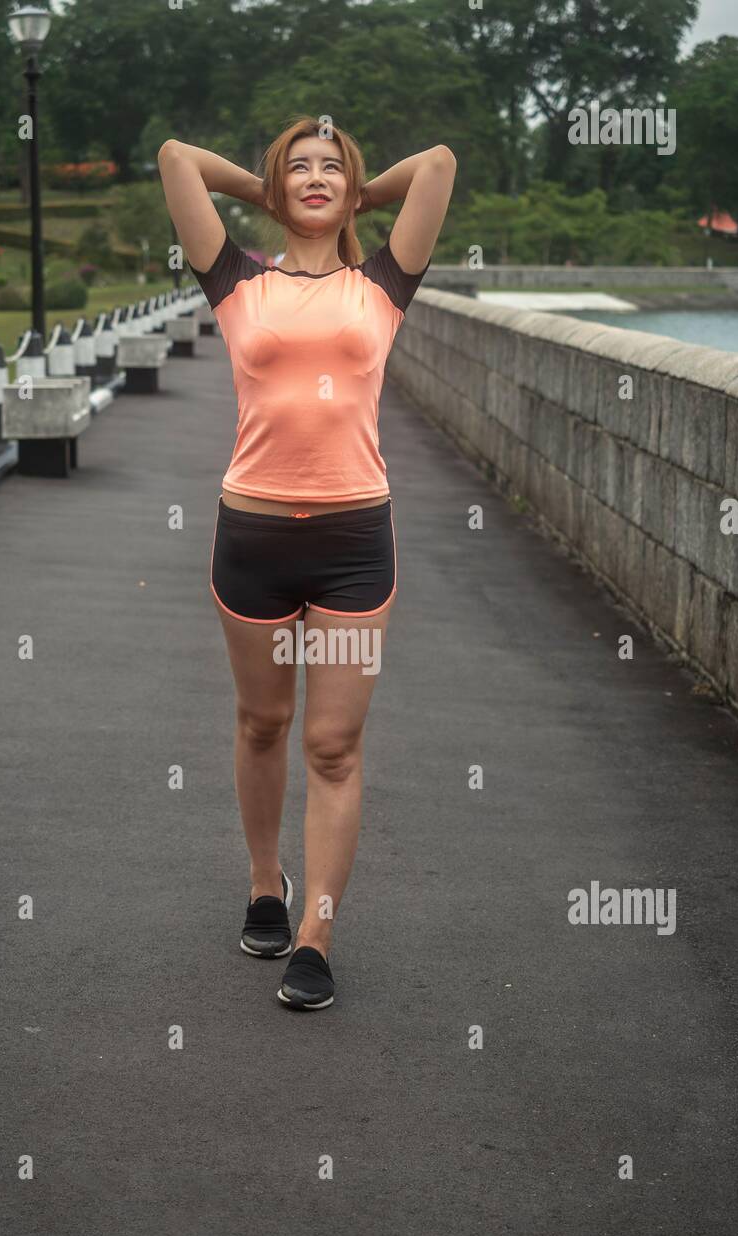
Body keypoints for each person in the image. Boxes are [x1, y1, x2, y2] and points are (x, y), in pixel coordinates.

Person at [158, 117, 455, 1010]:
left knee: (332, 746)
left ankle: (317, 936)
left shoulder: (383, 286)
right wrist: (262, 184)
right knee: (262, 723)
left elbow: (437, 161)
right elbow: (178, 158)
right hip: (251, 538)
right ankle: (264, 884)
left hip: (354, 544)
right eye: (302, 168)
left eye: (333, 167)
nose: (317, 177)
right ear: (278, 188)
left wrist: (360, 191)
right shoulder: (237, 281)